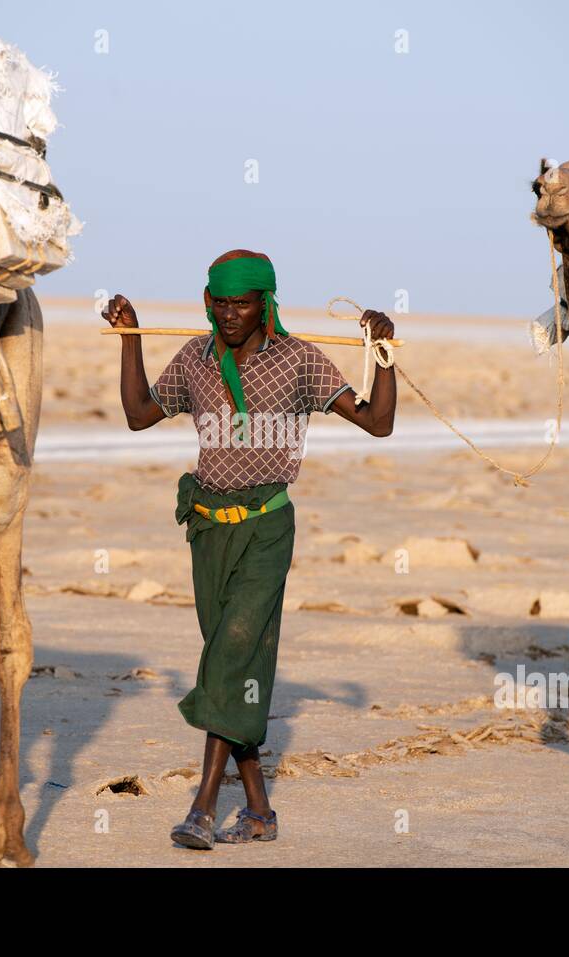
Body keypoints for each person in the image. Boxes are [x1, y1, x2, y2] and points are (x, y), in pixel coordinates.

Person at [103, 249, 397, 849]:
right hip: (208, 530)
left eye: (241, 302)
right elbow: (138, 415)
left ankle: (203, 807)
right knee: (236, 664)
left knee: (229, 658)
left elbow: (378, 422)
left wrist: (383, 355)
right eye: (219, 301)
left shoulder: (298, 360)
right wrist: (129, 336)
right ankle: (260, 809)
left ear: (266, 304)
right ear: (206, 302)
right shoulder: (196, 358)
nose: (229, 313)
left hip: (267, 528)